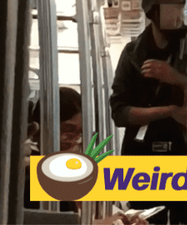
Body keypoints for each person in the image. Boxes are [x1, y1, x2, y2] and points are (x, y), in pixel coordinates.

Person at [109, 0, 187, 225]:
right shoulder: (132, 54)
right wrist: (170, 110)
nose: (178, 13)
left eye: (181, 6)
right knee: (143, 222)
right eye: (170, 7)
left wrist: (177, 78)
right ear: (151, 11)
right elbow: (119, 113)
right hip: (142, 158)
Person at [23, 87, 148, 225]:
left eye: (80, 134)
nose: (76, 142)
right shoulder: (30, 175)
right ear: (41, 130)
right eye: (68, 133)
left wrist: (123, 220)